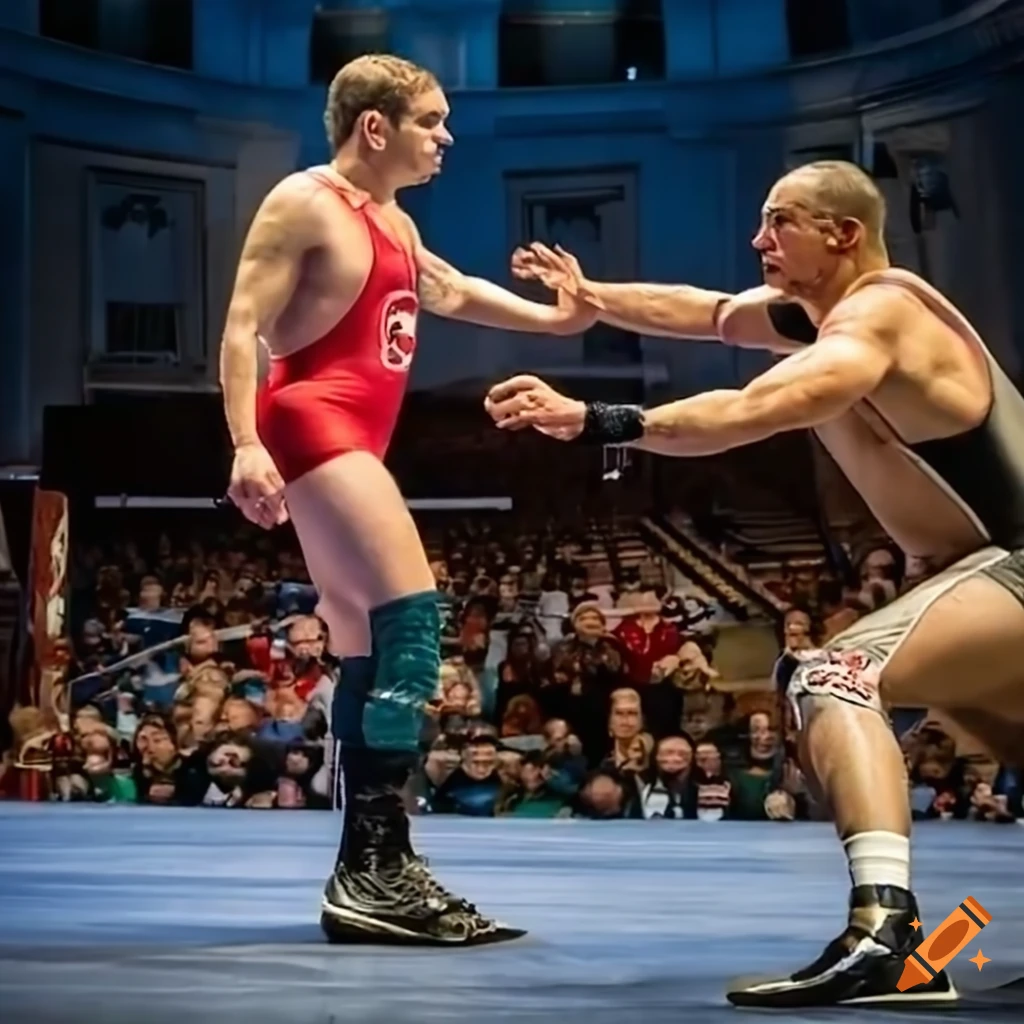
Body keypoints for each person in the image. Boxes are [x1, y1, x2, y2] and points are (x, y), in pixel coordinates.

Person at [485, 159, 1024, 1007]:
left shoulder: (878, 317)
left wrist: (597, 421)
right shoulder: (819, 316)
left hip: (1012, 570)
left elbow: (751, 411)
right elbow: (708, 313)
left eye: (781, 222)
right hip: (981, 573)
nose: (758, 238)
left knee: (834, 677)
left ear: (842, 235)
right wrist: (596, 297)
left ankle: (884, 936)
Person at [220, 53, 593, 946]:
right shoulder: (303, 200)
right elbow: (241, 323)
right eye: (430, 120)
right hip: (315, 420)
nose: (446, 136)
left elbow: (452, 291)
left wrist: (560, 320)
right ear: (374, 126)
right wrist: (243, 444)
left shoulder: (390, 221)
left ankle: (363, 876)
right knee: (413, 620)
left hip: (354, 432)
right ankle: (381, 868)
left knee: (360, 644)